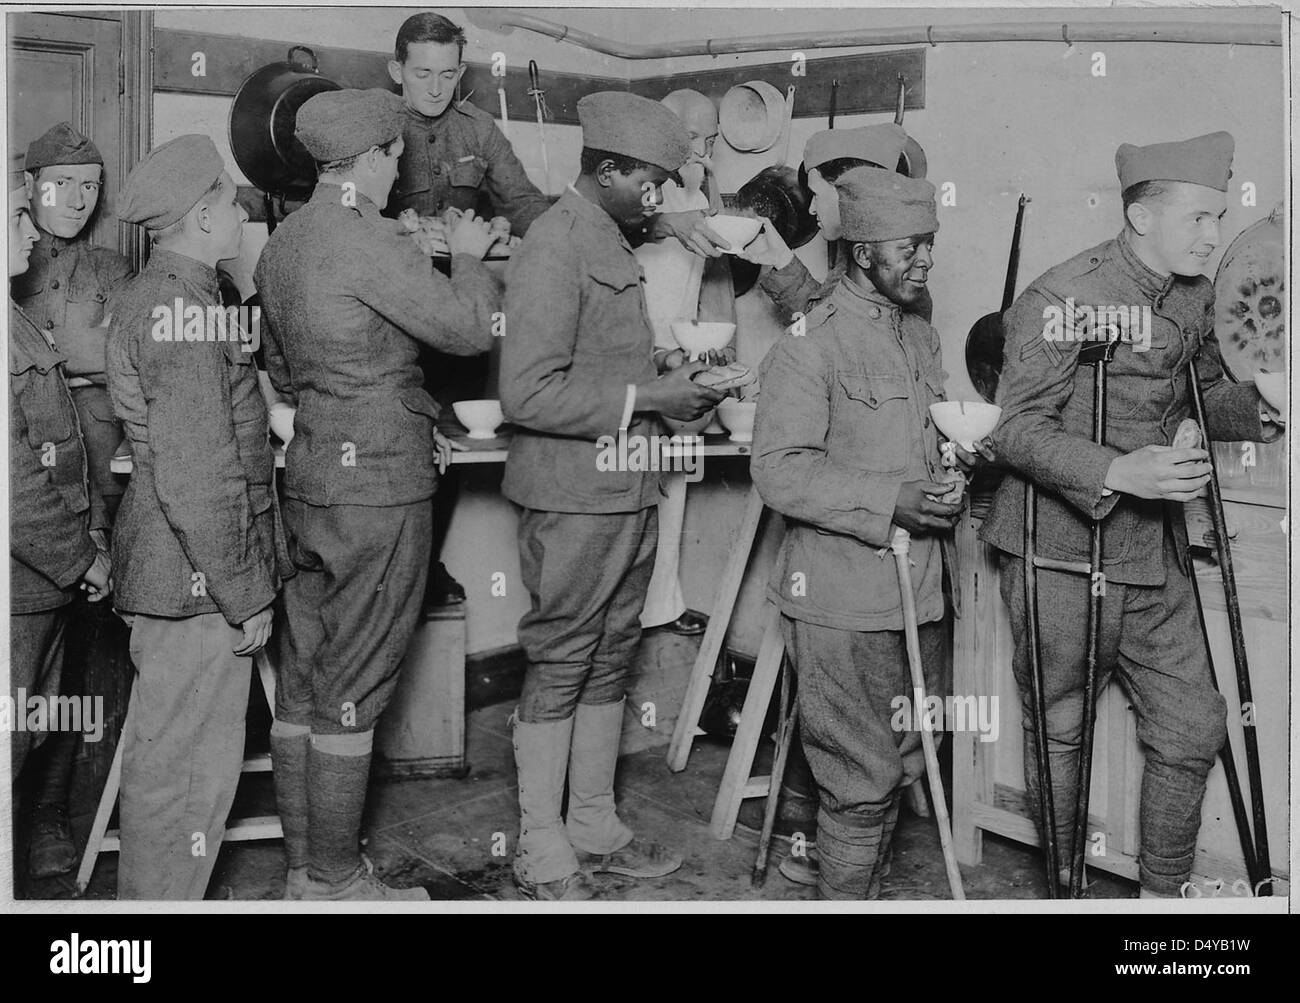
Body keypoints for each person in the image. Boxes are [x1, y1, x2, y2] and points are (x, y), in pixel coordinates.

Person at [981, 131, 1284, 898]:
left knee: (1191, 725)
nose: (1214, 236)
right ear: (1142, 217)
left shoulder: (1190, 296)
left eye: (1221, 218)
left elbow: (1200, 393)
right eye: (1200, 220)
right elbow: (1013, 428)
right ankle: (1066, 892)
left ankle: (1159, 898)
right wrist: (1118, 468)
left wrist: (1263, 403)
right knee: (1060, 733)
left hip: (1152, 556)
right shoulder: (1061, 298)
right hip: (1055, 550)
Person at [255, 88, 501, 901]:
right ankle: (338, 877)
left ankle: (302, 870)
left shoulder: (281, 245)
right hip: (380, 488)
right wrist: (466, 250)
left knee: (305, 680)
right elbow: (468, 331)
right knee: (355, 686)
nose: (402, 166)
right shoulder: (372, 239)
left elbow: (287, 376)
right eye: (396, 154)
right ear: (366, 160)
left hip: (314, 475)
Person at [499, 91, 724, 901]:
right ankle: (538, 841)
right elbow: (527, 393)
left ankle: (592, 822)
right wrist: (653, 400)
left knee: (608, 657)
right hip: (571, 494)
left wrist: (669, 385)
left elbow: (606, 369)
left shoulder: (610, 234)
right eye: (653, 185)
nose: (661, 201)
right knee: (562, 660)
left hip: (628, 485)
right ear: (607, 169)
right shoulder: (556, 243)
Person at [750, 167, 982, 900]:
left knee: (911, 757)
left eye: (930, 245)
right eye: (909, 247)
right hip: (841, 600)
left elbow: (927, 439)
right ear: (858, 253)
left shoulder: (918, 332)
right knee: (860, 779)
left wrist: (952, 472)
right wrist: (894, 501)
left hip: (920, 592)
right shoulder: (809, 342)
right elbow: (779, 470)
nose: (925, 261)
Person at [107, 134, 290, 899]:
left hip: (189, 569)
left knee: (182, 770)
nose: (241, 209)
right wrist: (244, 590)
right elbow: (197, 474)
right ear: (199, 214)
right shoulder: (178, 309)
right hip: (195, 577)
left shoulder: (181, 295)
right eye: (227, 196)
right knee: (183, 780)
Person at [384, 11, 553, 610]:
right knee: (395, 441)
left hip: (457, 303)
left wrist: (512, 222)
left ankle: (426, 566)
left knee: (448, 439)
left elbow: (529, 204)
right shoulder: (374, 129)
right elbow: (332, 211)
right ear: (396, 69)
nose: (435, 88)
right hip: (385, 310)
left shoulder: (479, 131)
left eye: (448, 74)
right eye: (422, 73)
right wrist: (391, 230)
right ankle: (396, 571)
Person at [12, 122, 135, 881]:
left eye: (91, 187)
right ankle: (27, 825)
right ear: (28, 190)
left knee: (92, 664)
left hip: (107, 481)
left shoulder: (115, 269)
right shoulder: (11, 270)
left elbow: (134, 362)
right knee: (28, 675)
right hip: (38, 500)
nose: (77, 201)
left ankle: (68, 810)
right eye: (61, 185)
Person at [8, 156, 110, 793]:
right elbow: (13, 487)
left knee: (28, 732)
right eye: (17, 218)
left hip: (38, 578)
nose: (29, 235)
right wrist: (82, 559)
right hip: (21, 582)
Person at [634, 88, 724, 637]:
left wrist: (703, 177)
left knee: (677, 475)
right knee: (638, 478)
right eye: (693, 137)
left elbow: (711, 231)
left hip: (683, 347)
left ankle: (662, 604)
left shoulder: (691, 189)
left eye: (710, 139)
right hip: (636, 349)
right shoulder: (639, 191)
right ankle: (628, 610)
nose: (703, 149)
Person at [737, 123, 933, 323]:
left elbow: (833, 333)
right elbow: (827, 317)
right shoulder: (867, 250)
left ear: (848, 192)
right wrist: (782, 259)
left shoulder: (888, 267)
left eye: (816, 194)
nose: (812, 208)